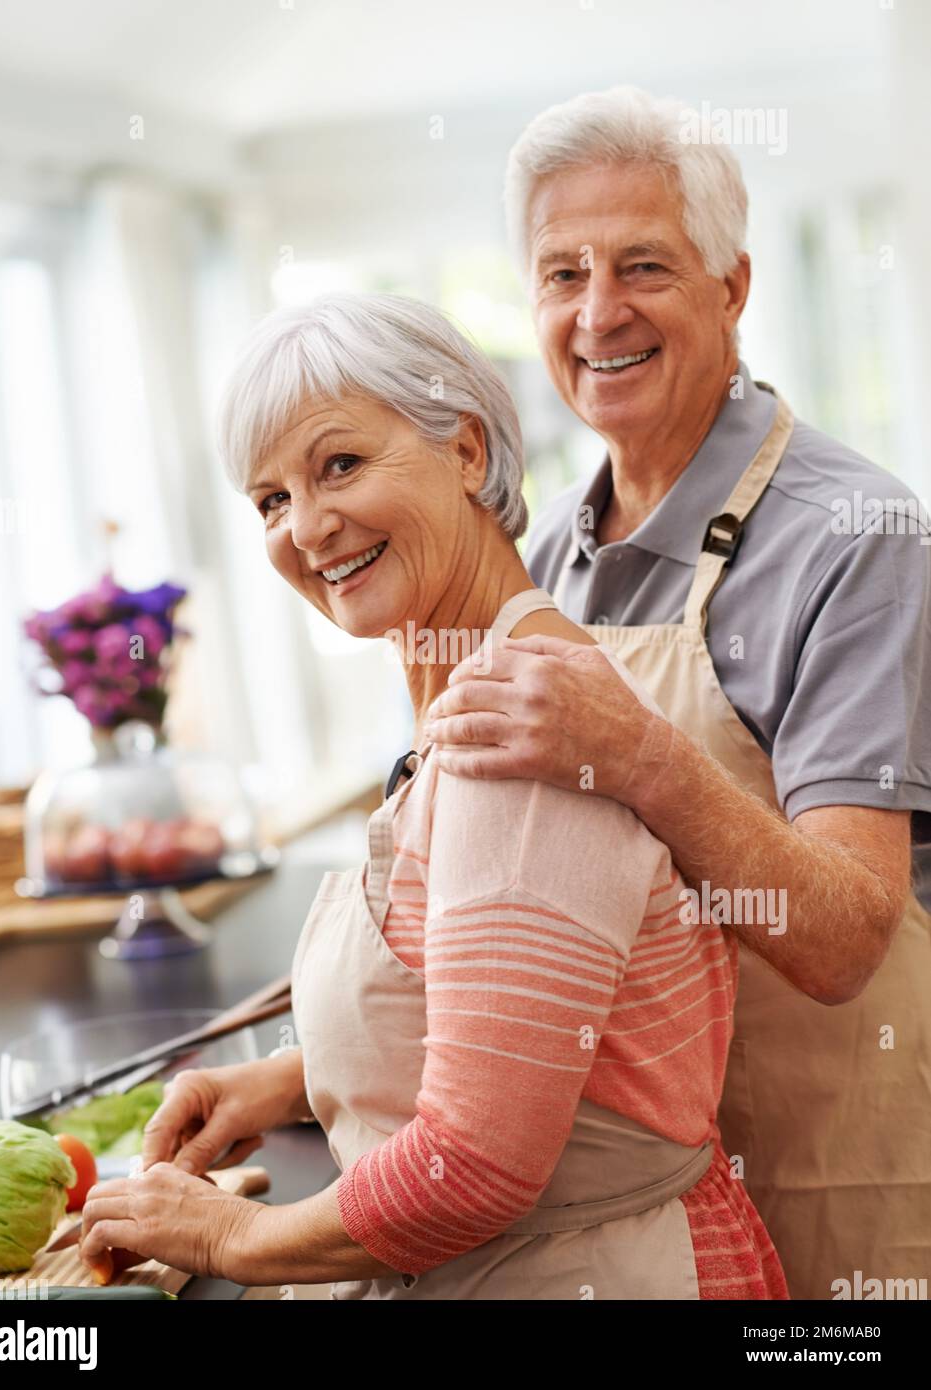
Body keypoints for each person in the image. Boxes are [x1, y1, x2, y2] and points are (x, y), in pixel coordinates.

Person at [80, 292, 786, 1299]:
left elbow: (473, 1166)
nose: (308, 528)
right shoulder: (471, 696)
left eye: (339, 465)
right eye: (271, 499)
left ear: (463, 451)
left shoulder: (518, 735)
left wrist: (231, 1234)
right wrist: (287, 1078)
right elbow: (513, 1018)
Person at [422, 86, 931, 1299]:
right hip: (636, 1219)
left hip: (833, 1170)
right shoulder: (542, 559)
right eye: (561, 274)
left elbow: (845, 935)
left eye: (642, 264)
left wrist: (637, 750)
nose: (599, 313)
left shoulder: (858, 539)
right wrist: (282, 1077)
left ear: (732, 287)